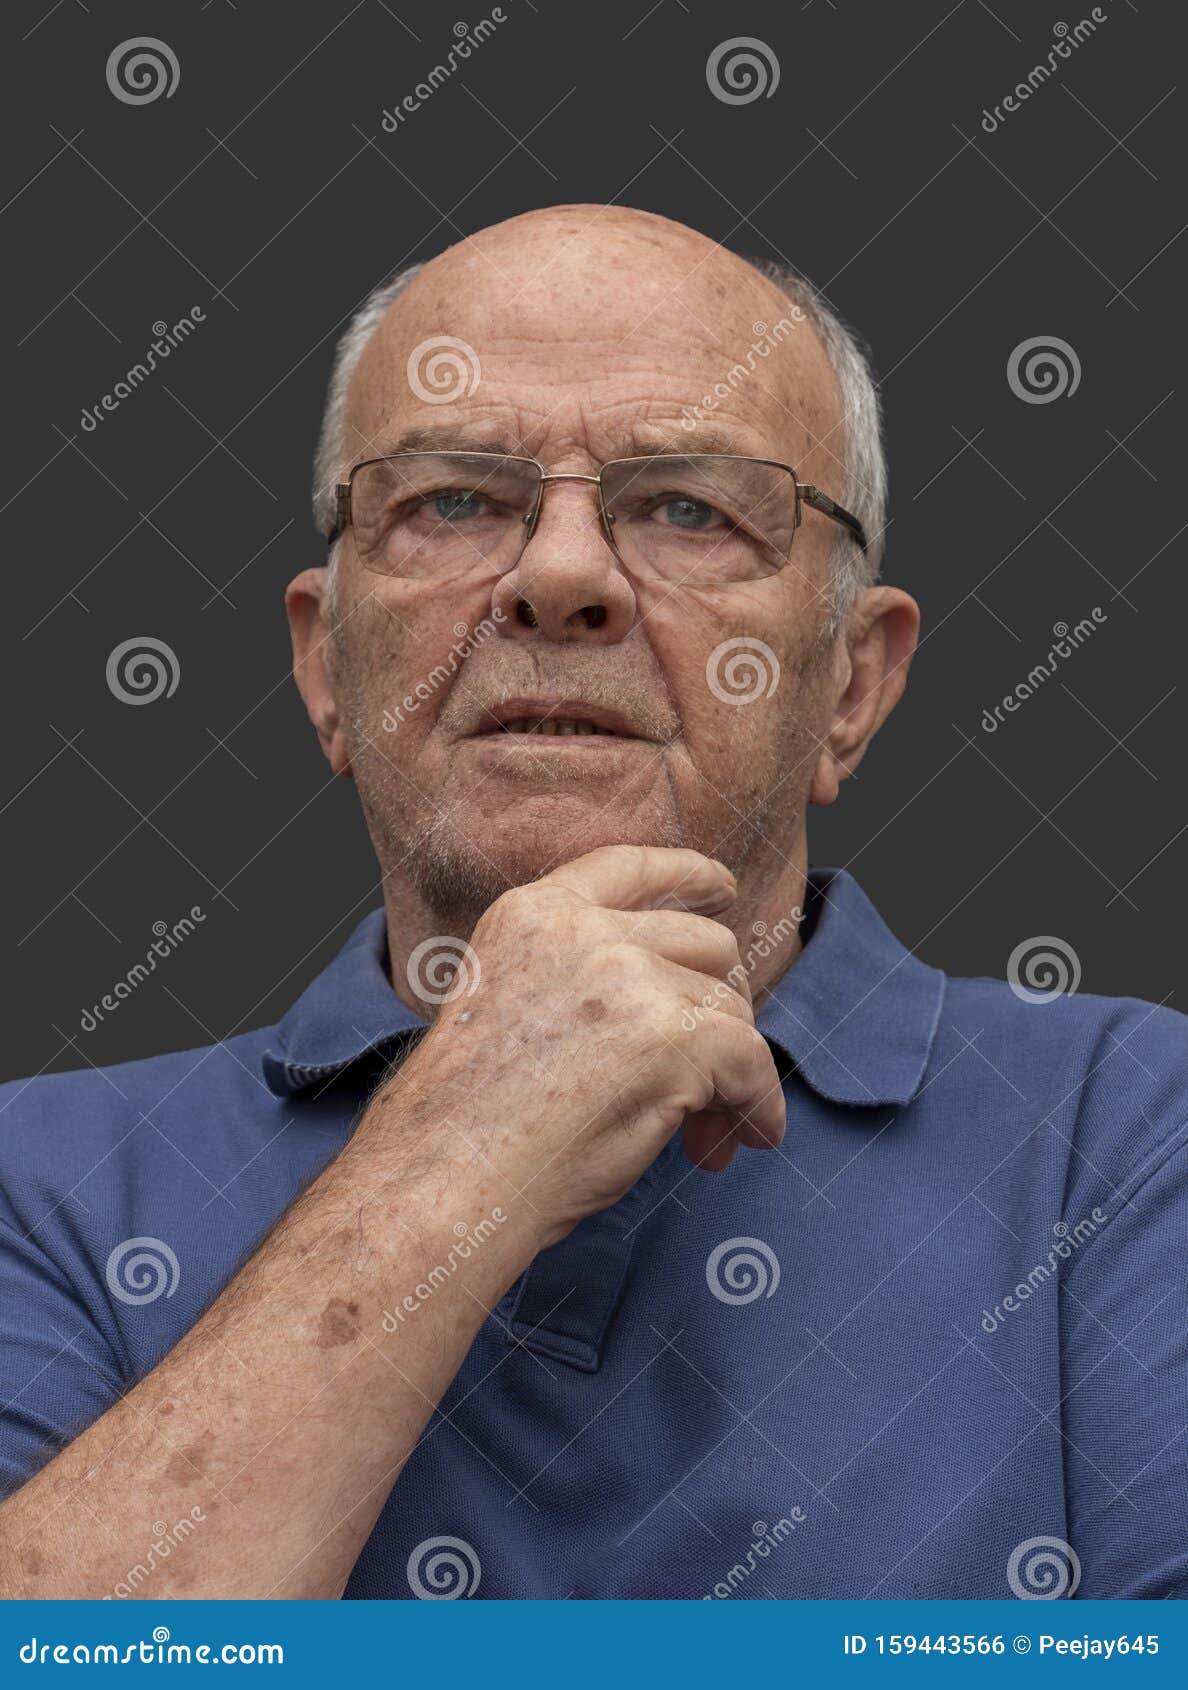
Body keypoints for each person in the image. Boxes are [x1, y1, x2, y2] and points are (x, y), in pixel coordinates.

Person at [1, 206, 1184, 1601]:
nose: (560, 578)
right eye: (454, 501)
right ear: (326, 670)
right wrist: (456, 1149)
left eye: (690, 508)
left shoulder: (1132, 1133)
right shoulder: (38, 1181)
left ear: (850, 686)